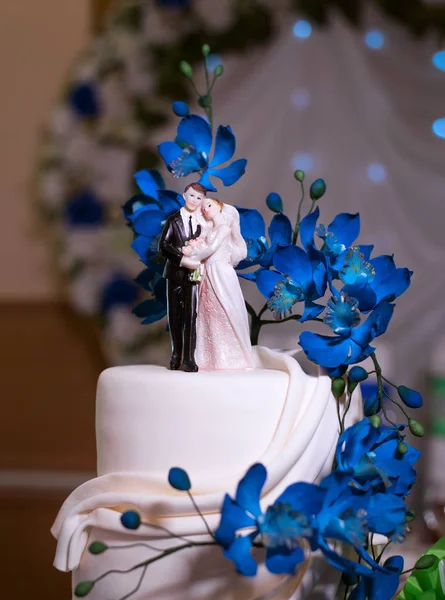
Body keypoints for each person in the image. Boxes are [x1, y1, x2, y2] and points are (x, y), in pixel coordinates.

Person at [189, 198, 255, 370]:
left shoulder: (224, 228)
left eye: (208, 205)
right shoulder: (206, 230)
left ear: (219, 207)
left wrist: (194, 255)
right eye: (202, 209)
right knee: (207, 314)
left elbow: (211, 248)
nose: (205, 210)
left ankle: (230, 358)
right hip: (208, 274)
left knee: (224, 310)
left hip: (220, 272)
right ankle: (209, 357)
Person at [158, 182, 206, 372]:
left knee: (191, 317)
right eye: (192, 196)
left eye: (199, 198)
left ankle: (189, 358)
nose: (194, 200)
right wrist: (182, 258)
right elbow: (163, 245)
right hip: (175, 274)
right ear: (184, 196)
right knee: (175, 317)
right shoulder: (173, 220)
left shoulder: (204, 222)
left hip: (193, 278)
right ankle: (176, 354)